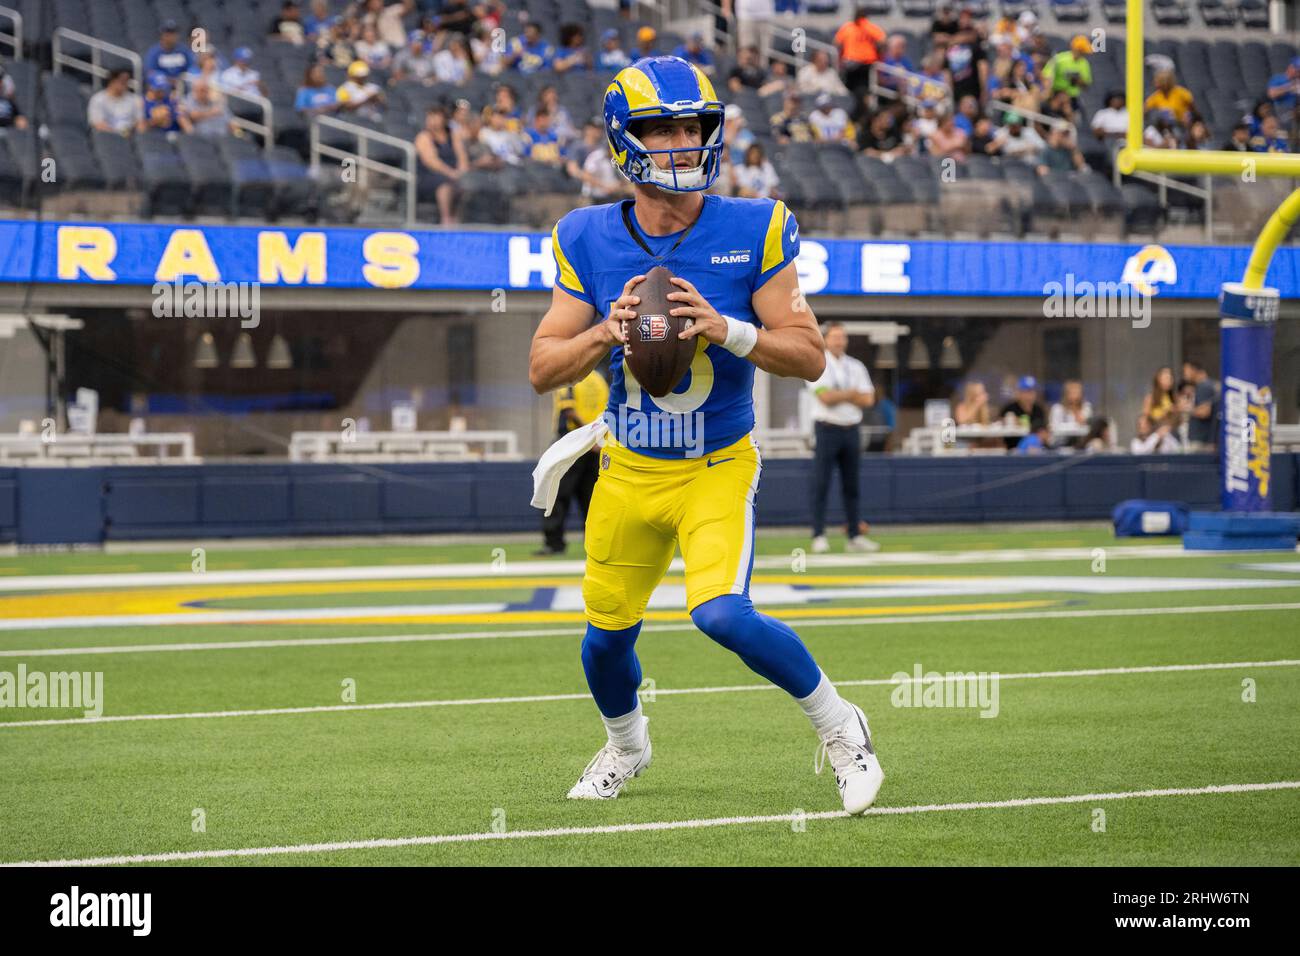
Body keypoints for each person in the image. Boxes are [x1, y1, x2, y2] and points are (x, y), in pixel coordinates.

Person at [529, 56, 883, 813]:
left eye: (693, 126)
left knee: (721, 611)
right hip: (626, 465)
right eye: (664, 129)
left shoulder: (754, 224)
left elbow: (811, 356)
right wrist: (604, 331)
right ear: (626, 141)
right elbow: (541, 366)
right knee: (603, 641)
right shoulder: (585, 237)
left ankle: (841, 726)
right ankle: (627, 746)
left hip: (715, 464)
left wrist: (729, 330)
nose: (684, 143)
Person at [808, 322, 878, 555]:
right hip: (827, 429)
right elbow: (825, 397)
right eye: (835, 337)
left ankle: (854, 535)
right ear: (826, 339)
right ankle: (818, 534)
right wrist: (852, 394)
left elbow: (868, 400)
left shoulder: (855, 366)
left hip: (851, 429)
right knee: (821, 483)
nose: (839, 341)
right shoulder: (818, 363)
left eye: (842, 337)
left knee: (852, 486)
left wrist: (844, 396)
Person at [536, 369, 609, 556]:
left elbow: (569, 411)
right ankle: (594, 543)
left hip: (572, 443)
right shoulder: (599, 380)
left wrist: (586, 435)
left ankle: (554, 543)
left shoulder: (568, 378)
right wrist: (596, 438)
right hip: (596, 444)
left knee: (557, 494)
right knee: (592, 498)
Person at [415, 106, 467, 223]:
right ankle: (446, 218)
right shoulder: (424, 136)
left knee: (466, 183)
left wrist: (462, 172)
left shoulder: (453, 135)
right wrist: (451, 173)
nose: (431, 120)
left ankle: (460, 219)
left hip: (453, 174)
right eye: (429, 117)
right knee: (444, 185)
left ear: (444, 119)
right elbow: (431, 161)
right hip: (428, 176)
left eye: (435, 116)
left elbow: (462, 156)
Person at [88, 69, 143, 135]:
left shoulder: (135, 99)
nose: (125, 84)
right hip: (107, 137)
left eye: (127, 81)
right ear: (112, 81)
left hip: (129, 137)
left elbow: (140, 124)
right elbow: (98, 124)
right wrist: (119, 134)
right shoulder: (97, 99)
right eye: (122, 81)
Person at [1181, 358, 1219, 452]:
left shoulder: (1204, 386)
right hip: (1203, 440)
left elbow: (1204, 412)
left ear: (1194, 370)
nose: (1184, 373)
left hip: (1201, 441)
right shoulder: (1203, 386)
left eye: (1186, 370)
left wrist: (1185, 409)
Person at [998, 375, 1046, 449]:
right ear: (1019, 393)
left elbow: (1043, 429)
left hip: (1036, 449)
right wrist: (1008, 421)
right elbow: (999, 423)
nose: (1029, 396)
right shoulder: (1009, 408)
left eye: (1032, 391)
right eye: (1026, 392)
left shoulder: (1039, 410)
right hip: (1013, 447)